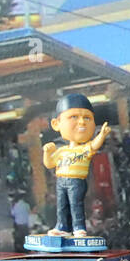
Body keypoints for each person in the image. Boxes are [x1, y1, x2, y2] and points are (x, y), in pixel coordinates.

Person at [43, 94, 109, 238]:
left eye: (87, 118)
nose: (81, 122)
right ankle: (62, 226)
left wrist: (101, 136)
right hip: (61, 181)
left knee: (75, 204)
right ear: (56, 124)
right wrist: (47, 152)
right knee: (62, 205)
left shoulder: (84, 149)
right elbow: (49, 164)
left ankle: (78, 227)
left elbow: (94, 146)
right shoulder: (61, 150)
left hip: (76, 181)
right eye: (73, 117)